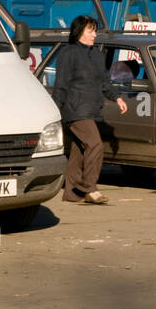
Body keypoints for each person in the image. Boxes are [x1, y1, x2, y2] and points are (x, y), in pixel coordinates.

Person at [52, 15, 127, 204]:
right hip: (74, 109)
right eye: (90, 30)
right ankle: (89, 188)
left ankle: (71, 192)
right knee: (95, 145)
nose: (95, 34)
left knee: (79, 151)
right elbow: (61, 84)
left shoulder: (97, 55)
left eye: (95, 30)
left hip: (91, 109)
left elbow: (104, 82)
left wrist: (117, 97)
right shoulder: (68, 53)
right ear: (79, 32)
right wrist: (55, 110)